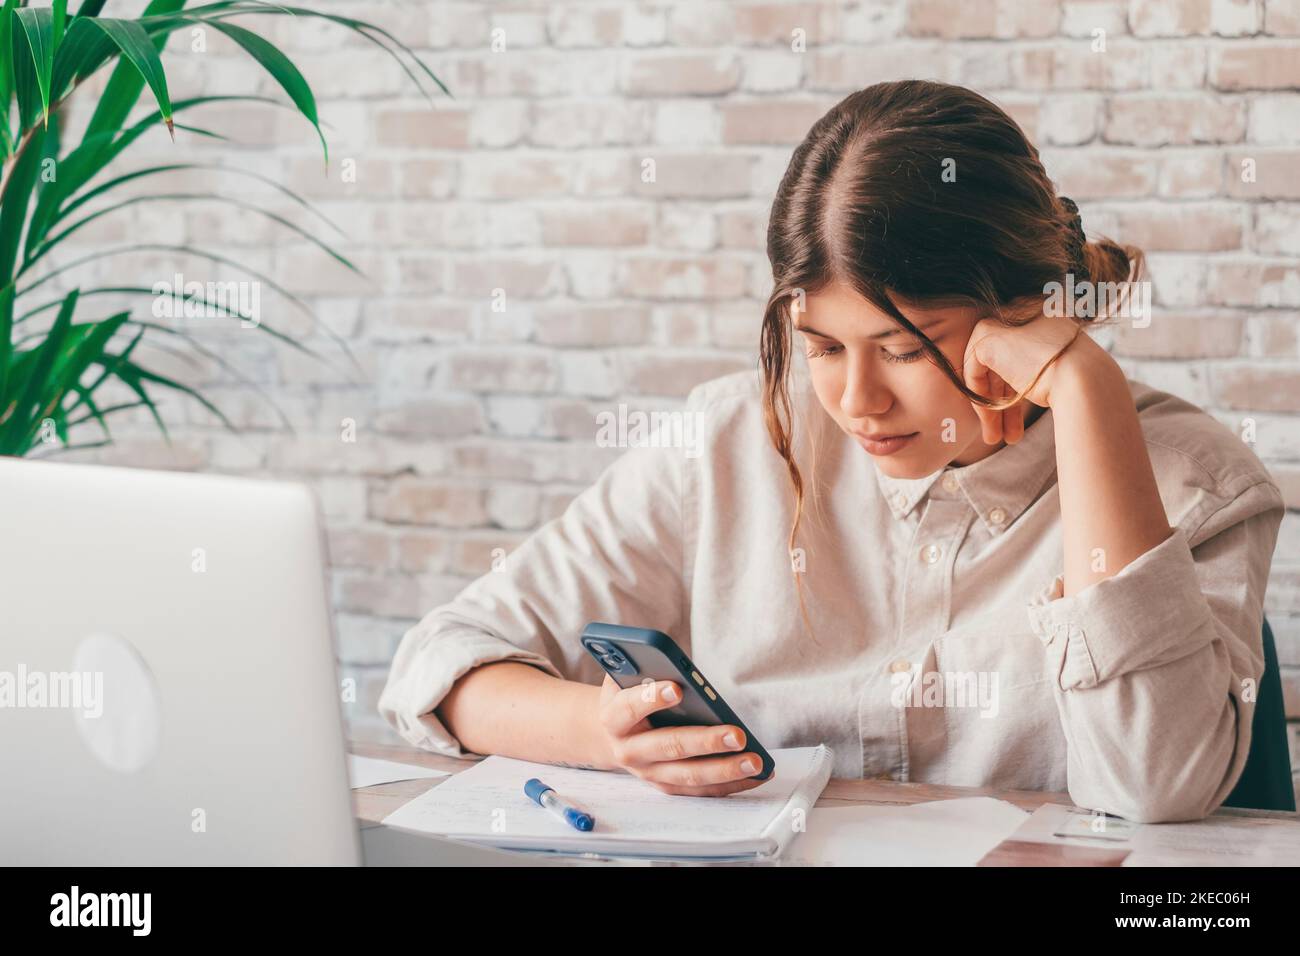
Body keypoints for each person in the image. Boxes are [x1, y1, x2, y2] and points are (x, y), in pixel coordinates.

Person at [379, 80, 1284, 823]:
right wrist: (600, 729)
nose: (857, 402)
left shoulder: (1198, 481)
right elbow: (445, 660)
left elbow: (1154, 786)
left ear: (1023, 313)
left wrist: (1091, 395)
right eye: (821, 348)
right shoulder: (729, 442)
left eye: (903, 350)